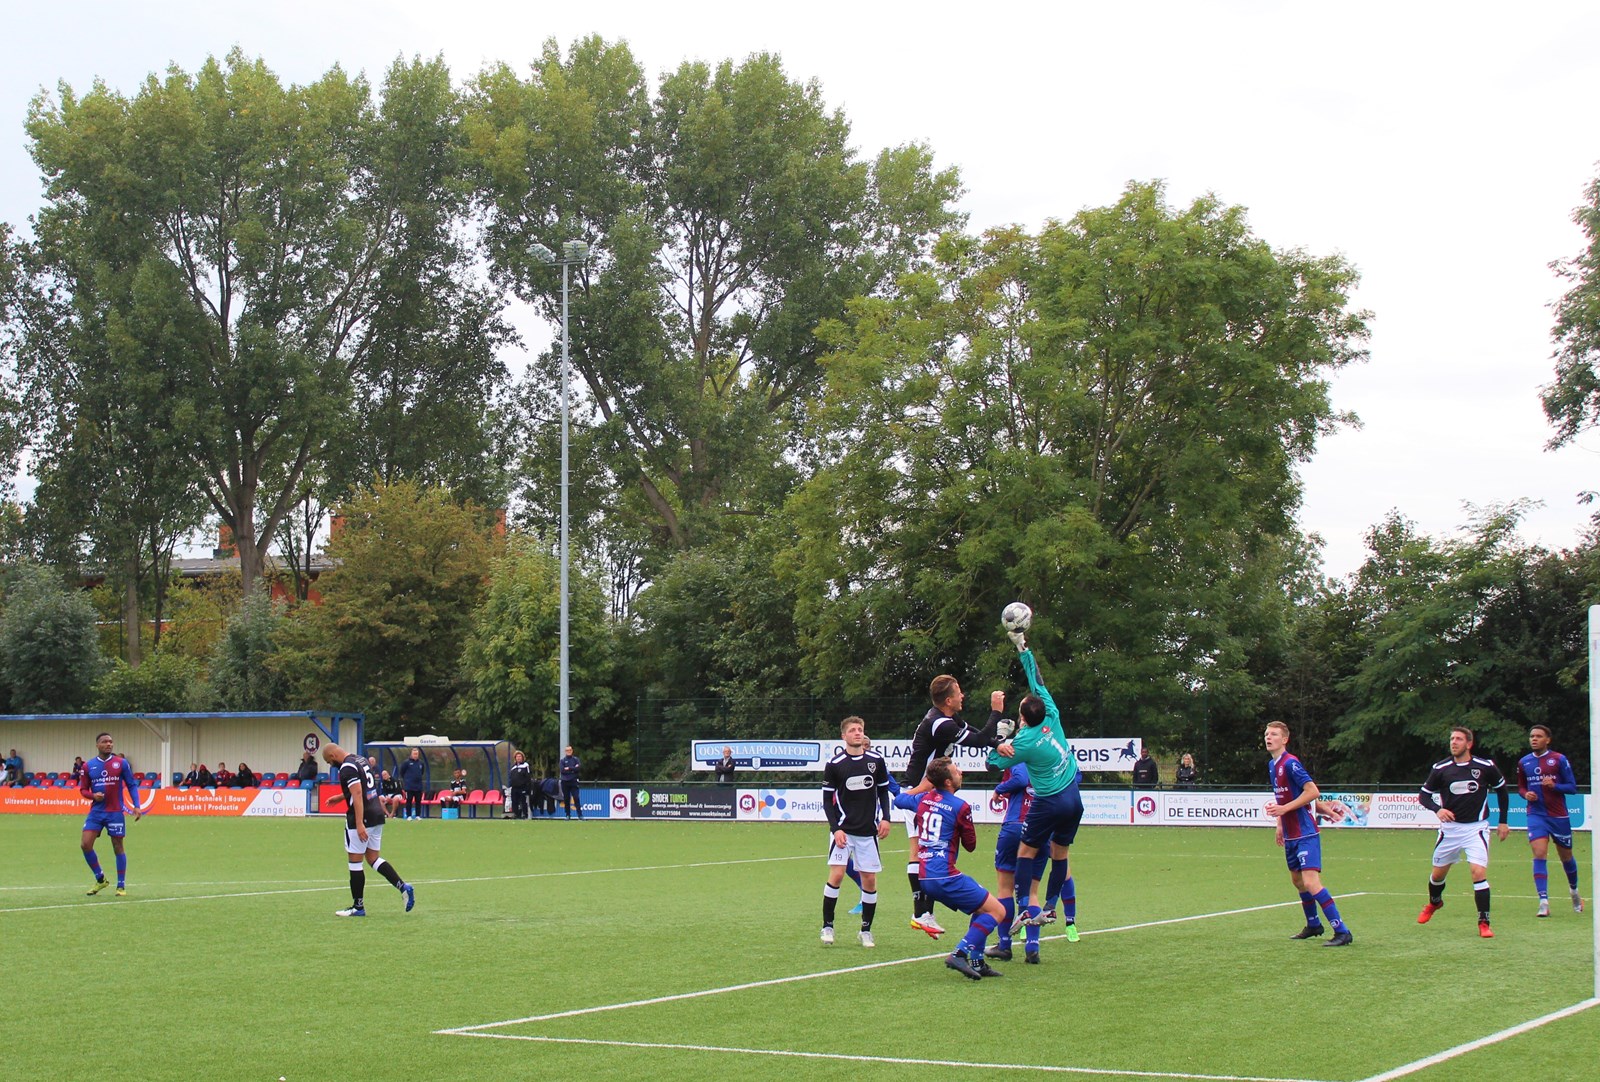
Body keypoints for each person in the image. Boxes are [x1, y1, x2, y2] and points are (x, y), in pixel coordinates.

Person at [987, 622, 1084, 963]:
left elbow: (990, 759)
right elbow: (1038, 682)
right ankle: (1050, 908)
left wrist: (1002, 738)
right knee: (1061, 857)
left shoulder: (1024, 741)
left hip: (1048, 801)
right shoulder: (1053, 716)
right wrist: (1023, 648)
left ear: (1023, 718)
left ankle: (1026, 911)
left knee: (1026, 855)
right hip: (1074, 797)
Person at [901, 678, 1004, 938]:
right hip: (919, 789)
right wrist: (996, 711)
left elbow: (979, 735)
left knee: (929, 848)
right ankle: (920, 912)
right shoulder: (941, 724)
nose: (963, 696)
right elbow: (979, 739)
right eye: (958, 693)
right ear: (948, 701)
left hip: (925, 789)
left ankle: (924, 913)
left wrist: (997, 743)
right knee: (921, 849)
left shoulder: (946, 719)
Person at [894, 757, 1008, 980]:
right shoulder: (960, 806)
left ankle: (977, 962)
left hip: (925, 878)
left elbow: (899, 800)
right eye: (956, 771)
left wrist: (925, 788)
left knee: (981, 907)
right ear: (947, 782)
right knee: (998, 911)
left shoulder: (922, 799)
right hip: (945, 875)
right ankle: (959, 953)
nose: (961, 773)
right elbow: (971, 845)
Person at [1263, 721, 1353, 947]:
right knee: (1298, 881)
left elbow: (1312, 791)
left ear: (1285, 740)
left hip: (1305, 833)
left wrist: (1284, 811)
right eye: (1266, 734)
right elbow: (1284, 798)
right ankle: (1314, 925)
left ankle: (1342, 931)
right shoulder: (1273, 765)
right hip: (1291, 834)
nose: (1268, 737)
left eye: (1273, 734)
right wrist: (1280, 823)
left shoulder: (1291, 763)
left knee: (1311, 882)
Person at [1417, 726, 1510, 938]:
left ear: (1469, 743)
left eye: (1459, 739)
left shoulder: (1485, 766)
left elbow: (1502, 791)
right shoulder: (1441, 768)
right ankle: (1434, 903)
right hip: (1450, 831)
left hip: (1476, 828)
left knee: (1478, 872)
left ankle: (1484, 922)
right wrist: (1437, 809)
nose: (1454, 742)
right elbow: (1424, 796)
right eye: (1452, 739)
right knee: (1437, 875)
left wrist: (1503, 822)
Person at [819, 717, 892, 948]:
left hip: (868, 831)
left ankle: (865, 930)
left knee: (869, 880)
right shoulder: (835, 764)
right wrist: (835, 828)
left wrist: (887, 819)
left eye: (860, 729)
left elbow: (883, 792)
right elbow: (827, 801)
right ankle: (827, 926)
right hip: (844, 831)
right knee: (838, 874)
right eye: (852, 730)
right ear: (844, 736)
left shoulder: (876, 761)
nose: (857, 733)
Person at [321, 743, 414, 917]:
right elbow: (363, 788)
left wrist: (359, 823)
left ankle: (358, 907)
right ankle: (403, 886)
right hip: (376, 814)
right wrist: (341, 797)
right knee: (373, 858)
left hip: (362, 817)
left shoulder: (347, 767)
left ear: (333, 756)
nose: (330, 765)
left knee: (355, 862)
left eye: (328, 761)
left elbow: (357, 794)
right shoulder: (361, 759)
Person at [1517, 724, 1584, 917]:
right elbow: (1521, 787)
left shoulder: (1559, 760)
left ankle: (1574, 891)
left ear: (1548, 740)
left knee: (1566, 857)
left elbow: (1572, 787)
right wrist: (1525, 794)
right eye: (1531, 736)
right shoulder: (1524, 762)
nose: (1534, 739)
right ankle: (1543, 901)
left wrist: (1555, 786)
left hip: (1558, 815)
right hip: (1536, 814)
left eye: (1538, 736)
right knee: (1539, 853)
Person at [79, 732, 141, 896]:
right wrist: (93, 796)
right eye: (105, 742)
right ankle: (101, 879)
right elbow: (83, 790)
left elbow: (132, 785)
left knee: (118, 847)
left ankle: (121, 886)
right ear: (97, 745)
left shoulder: (121, 763)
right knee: (85, 844)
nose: (109, 744)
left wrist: (137, 805)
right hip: (96, 812)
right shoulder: (88, 766)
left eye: (111, 741)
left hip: (115, 812)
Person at [983, 760, 1033, 962]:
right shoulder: (1049, 758)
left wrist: (999, 788)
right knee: (1032, 890)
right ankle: (1032, 946)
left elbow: (1021, 778)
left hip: (1015, 824)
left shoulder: (1021, 758)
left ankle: (1004, 944)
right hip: (1038, 826)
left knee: (1005, 888)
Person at [397, 748, 427, 820]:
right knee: (409, 800)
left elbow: (422, 772)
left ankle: (417, 815)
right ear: (411, 754)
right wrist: (407, 780)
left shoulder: (421, 763)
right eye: (414, 754)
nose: (415, 755)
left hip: (418, 786)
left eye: (417, 754)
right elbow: (402, 772)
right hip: (409, 786)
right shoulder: (406, 763)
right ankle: (409, 816)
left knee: (418, 801)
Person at [508, 751, 533, 819]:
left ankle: (525, 814)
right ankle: (516, 814)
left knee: (523, 802)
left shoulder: (525, 765)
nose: (518, 758)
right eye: (517, 757)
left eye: (520, 756)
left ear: (522, 757)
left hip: (523, 787)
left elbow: (528, 777)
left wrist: (528, 788)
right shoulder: (513, 767)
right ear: (515, 758)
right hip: (514, 787)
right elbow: (510, 777)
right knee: (514, 802)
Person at [559, 746, 582, 819]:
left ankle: (580, 815)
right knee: (566, 799)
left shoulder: (576, 759)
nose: (568, 751)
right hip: (565, 782)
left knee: (576, 798)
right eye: (567, 750)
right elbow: (562, 770)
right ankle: (567, 815)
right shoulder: (562, 760)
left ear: (572, 751)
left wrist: (569, 768)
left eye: (570, 750)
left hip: (574, 781)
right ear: (565, 751)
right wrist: (573, 769)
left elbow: (578, 768)